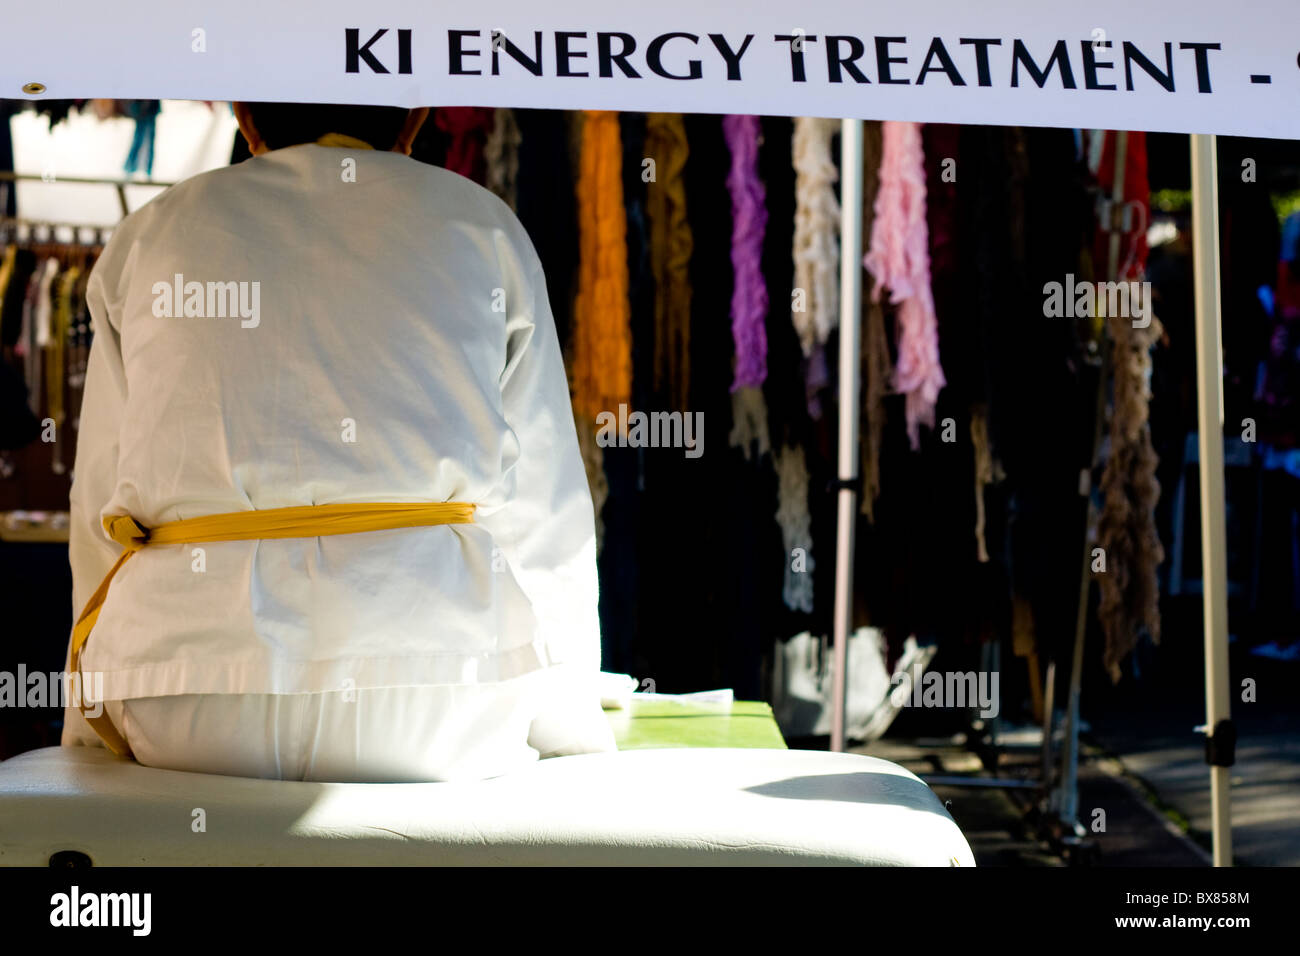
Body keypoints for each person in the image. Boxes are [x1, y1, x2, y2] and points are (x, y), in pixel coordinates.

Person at [59, 101, 616, 781]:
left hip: (182, 694)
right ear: (415, 117)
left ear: (246, 117)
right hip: (441, 686)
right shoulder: (481, 224)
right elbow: (543, 508)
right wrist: (568, 726)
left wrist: (82, 731)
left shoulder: (151, 233)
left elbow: (99, 508)